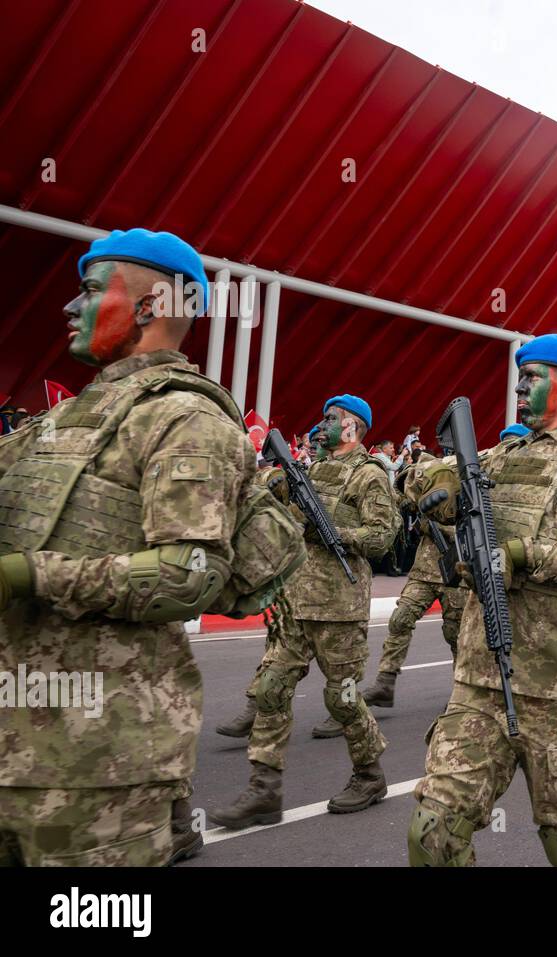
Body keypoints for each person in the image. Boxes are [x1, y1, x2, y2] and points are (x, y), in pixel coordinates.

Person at [0, 228, 252, 865]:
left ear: (151, 307)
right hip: (15, 743)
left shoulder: (185, 419)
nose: (70, 307)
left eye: (89, 290)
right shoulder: (61, 419)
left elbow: (189, 574)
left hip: (98, 762)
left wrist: (28, 575)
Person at [408, 334, 557, 867]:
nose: (520, 387)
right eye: (521, 377)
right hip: (480, 680)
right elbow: (418, 478)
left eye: (533, 378)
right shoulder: (502, 454)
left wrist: (524, 555)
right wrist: (436, 477)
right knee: (432, 831)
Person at [211, 394, 400, 828]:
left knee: (343, 699)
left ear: (353, 426)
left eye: (331, 418)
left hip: (339, 606)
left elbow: (381, 537)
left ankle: (370, 775)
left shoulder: (368, 475)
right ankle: (264, 790)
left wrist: (333, 531)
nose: (322, 424)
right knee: (271, 690)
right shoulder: (307, 470)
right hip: (295, 601)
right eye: (323, 416)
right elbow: (267, 502)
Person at [363, 425, 530, 709]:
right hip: (427, 563)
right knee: (401, 618)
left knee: (456, 634)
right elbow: (410, 482)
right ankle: (385, 680)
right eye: (506, 443)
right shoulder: (461, 470)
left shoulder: (503, 490)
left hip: (458, 565)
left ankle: (461, 692)